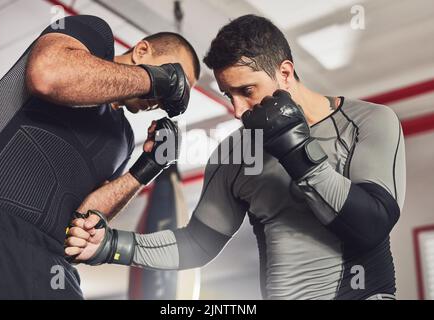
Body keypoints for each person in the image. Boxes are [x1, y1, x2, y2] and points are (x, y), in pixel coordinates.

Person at [65, 15, 406, 300]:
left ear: (285, 73)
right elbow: (197, 243)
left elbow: (372, 226)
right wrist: (111, 245)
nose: (238, 110)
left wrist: (296, 150)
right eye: (229, 95)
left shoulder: (366, 122)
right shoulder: (236, 150)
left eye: (247, 91)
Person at [0, 14, 200, 299]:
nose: (166, 98)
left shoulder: (122, 138)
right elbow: (47, 74)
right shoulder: (94, 36)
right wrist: (158, 80)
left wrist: (147, 169)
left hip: (50, 262)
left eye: (176, 93)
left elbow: (83, 223)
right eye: (174, 75)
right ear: (142, 51)